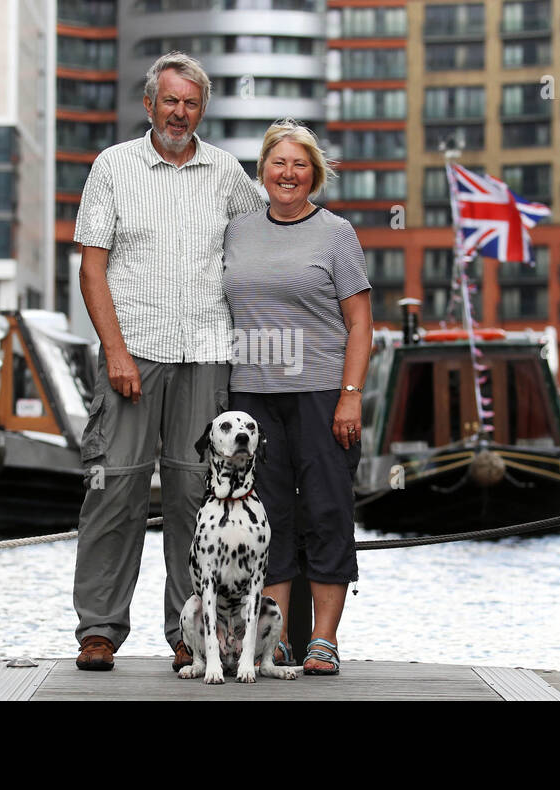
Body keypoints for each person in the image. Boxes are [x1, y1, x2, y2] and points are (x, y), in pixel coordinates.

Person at [71, 52, 264, 671]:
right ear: (149, 104)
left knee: (195, 496)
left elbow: (270, 232)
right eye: (170, 101)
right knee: (115, 489)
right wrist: (116, 351)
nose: (180, 113)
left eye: (191, 103)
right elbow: (91, 269)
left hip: (208, 353)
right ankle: (99, 628)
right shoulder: (113, 167)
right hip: (134, 354)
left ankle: (190, 631)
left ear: (200, 109)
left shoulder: (229, 173)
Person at [221, 120, 373, 675]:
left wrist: (350, 396)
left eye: (300, 165)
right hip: (253, 397)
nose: (289, 174)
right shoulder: (237, 231)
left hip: (321, 394)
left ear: (315, 174)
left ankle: (324, 640)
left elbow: (361, 324)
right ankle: (278, 638)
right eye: (279, 163)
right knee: (270, 516)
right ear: (262, 170)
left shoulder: (336, 234)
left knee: (328, 510)